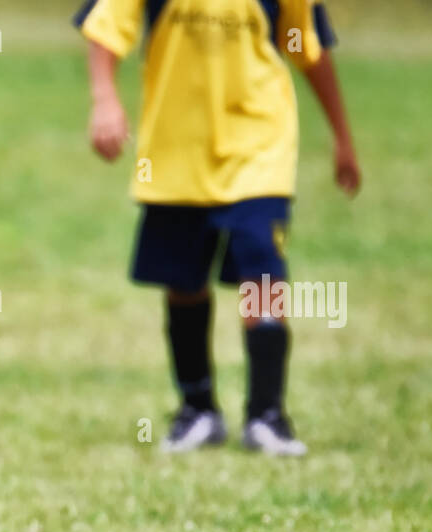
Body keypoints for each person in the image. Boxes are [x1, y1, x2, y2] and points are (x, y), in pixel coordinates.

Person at [76, 0, 360, 454]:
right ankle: (198, 410)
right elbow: (105, 27)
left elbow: (308, 48)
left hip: (260, 145)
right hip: (175, 148)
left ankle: (267, 415)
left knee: (263, 274)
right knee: (183, 282)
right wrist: (104, 99)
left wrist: (342, 137)